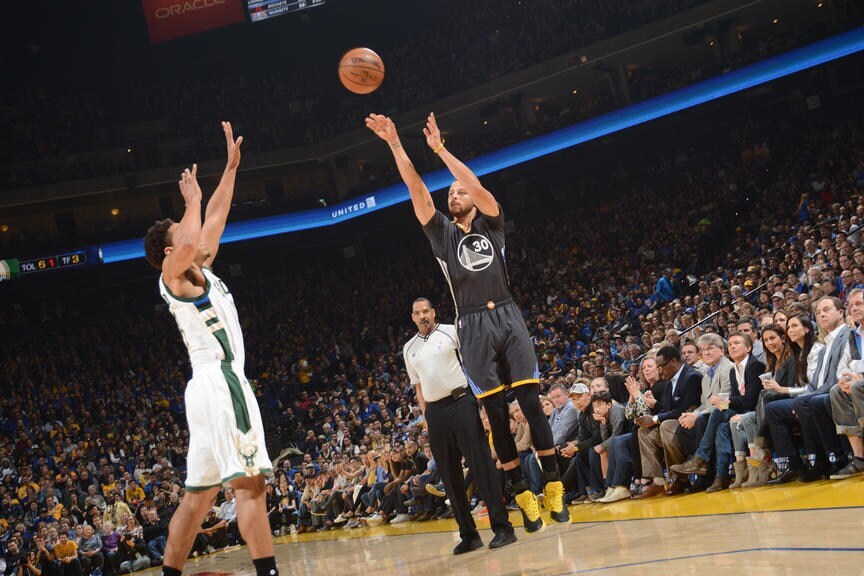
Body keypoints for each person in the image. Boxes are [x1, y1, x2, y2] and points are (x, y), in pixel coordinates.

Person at [367, 112, 567, 531]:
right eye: (451, 194)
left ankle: (553, 485)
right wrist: (395, 144)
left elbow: (476, 184)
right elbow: (416, 189)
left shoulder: (493, 221)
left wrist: (441, 150)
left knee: (531, 403)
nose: (455, 195)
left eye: (461, 192)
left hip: (508, 314)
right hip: (471, 324)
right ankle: (524, 496)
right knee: (496, 415)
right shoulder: (442, 235)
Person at [142, 123, 277, 576]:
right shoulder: (173, 274)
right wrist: (191, 202)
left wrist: (231, 169)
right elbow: (192, 234)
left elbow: (215, 218)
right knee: (250, 486)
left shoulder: (200, 268)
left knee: (197, 497)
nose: (195, 232)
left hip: (203, 391)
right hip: (221, 384)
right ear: (167, 248)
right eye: (183, 230)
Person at [402, 298, 515, 553]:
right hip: (435, 412)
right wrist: (426, 417)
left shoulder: (451, 331)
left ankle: (502, 528)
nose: (422, 316)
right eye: (417, 313)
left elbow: (472, 366)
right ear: (412, 317)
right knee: (449, 475)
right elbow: (418, 387)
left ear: (433, 312)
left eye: (426, 311)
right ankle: (469, 535)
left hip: (461, 401)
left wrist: (482, 402)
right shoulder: (409, 348)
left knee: (481, 464)